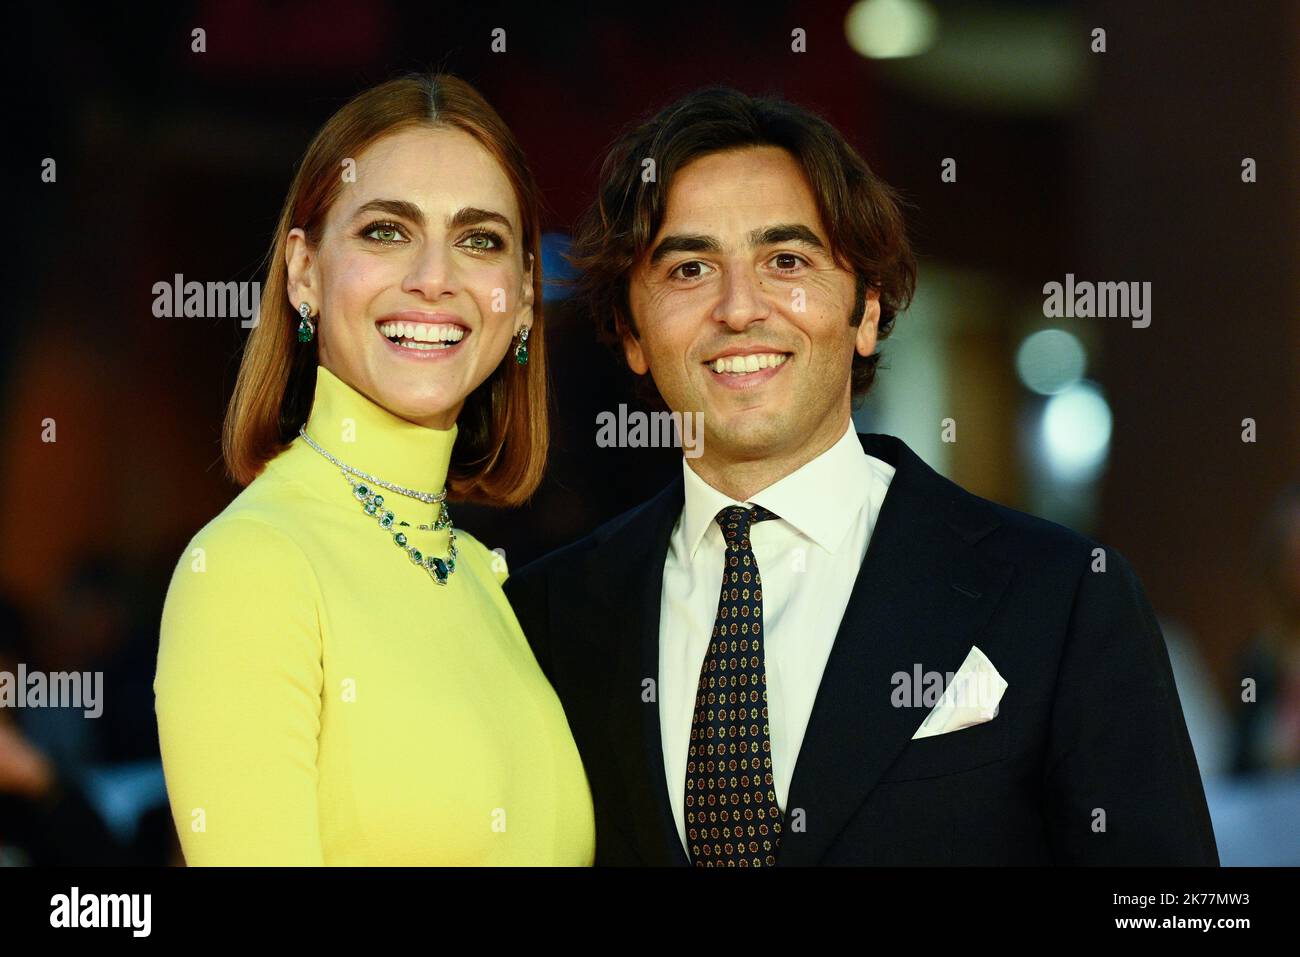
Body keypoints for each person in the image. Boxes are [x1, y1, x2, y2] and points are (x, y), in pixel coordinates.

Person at [504, 87, 1218, 866]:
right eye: (689, 268)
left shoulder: (1060, 593)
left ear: (868, 307)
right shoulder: (548, 615)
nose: (739, 308)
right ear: (631, 330)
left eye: (786, 260)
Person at [154, 73, 594, 865]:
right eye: (387, 231)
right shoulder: (254, 565)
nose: (435, 276)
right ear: (303, 272)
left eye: (481, 239)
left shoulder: (477, 574)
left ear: (524, 296)